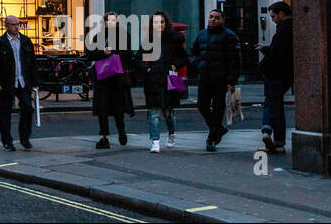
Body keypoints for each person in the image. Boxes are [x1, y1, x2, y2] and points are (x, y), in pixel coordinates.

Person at [189, 9, 241, 152]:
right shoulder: (202, 34)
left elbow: (235, 61)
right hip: (204, 77)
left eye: (216, 18)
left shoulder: (229, 36)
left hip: (221, 78)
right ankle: (218, 129)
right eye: (211, 17)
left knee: (218, 109)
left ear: (222, 20)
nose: (213, 20)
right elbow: (193, 51)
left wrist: (231, 81)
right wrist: (197, 63)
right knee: (202, 105)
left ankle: (211, 139)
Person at [138, 11, 189, 152]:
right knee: (154, 113)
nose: (159, 25)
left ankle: (171, 133)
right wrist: (146, 69)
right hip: (153, 79)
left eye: (161, 22)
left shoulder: (174, 39)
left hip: (169, 79)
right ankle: (155, 141)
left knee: (168, 112)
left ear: (166, 23)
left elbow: (184, 57)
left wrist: (175, 66)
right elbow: (138, 59)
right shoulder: (148, 40)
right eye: (156, 22)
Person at [0, 15, 37, 152]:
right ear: (6, 26)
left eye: (18, 24)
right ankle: (7, 142)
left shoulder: (26, 41)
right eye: (13, 24)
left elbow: (32, 63)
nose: (16, 27)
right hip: (6, 83)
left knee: (27, 108)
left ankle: (25, 138)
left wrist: (35, 83)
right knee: (5, 112)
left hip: (23, 82)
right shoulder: (0, 43)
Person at [89, 11, 136, 148]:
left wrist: (114, 52)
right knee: (102, 110)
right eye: (108, 21)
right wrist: (103, 52)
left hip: (118, 79)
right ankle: (104, 137)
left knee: (118, 109)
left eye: (113, 20)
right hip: (102, 79)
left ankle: (121, 131)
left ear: (117, 22)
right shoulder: (99, 37)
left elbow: (128, 55)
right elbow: (91, 55)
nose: (110, 23)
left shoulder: (124, 36)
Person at [257, 1, 293, 155]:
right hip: (287, 74)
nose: (272, 19)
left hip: (276, 73)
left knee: (272, 105)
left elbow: (277, 53)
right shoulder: (294, 27)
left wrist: (264, 49)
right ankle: (276, 140)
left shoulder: (284, 30)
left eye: (273, 16)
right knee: (273, 103)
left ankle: (268, 131)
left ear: (282, 14)